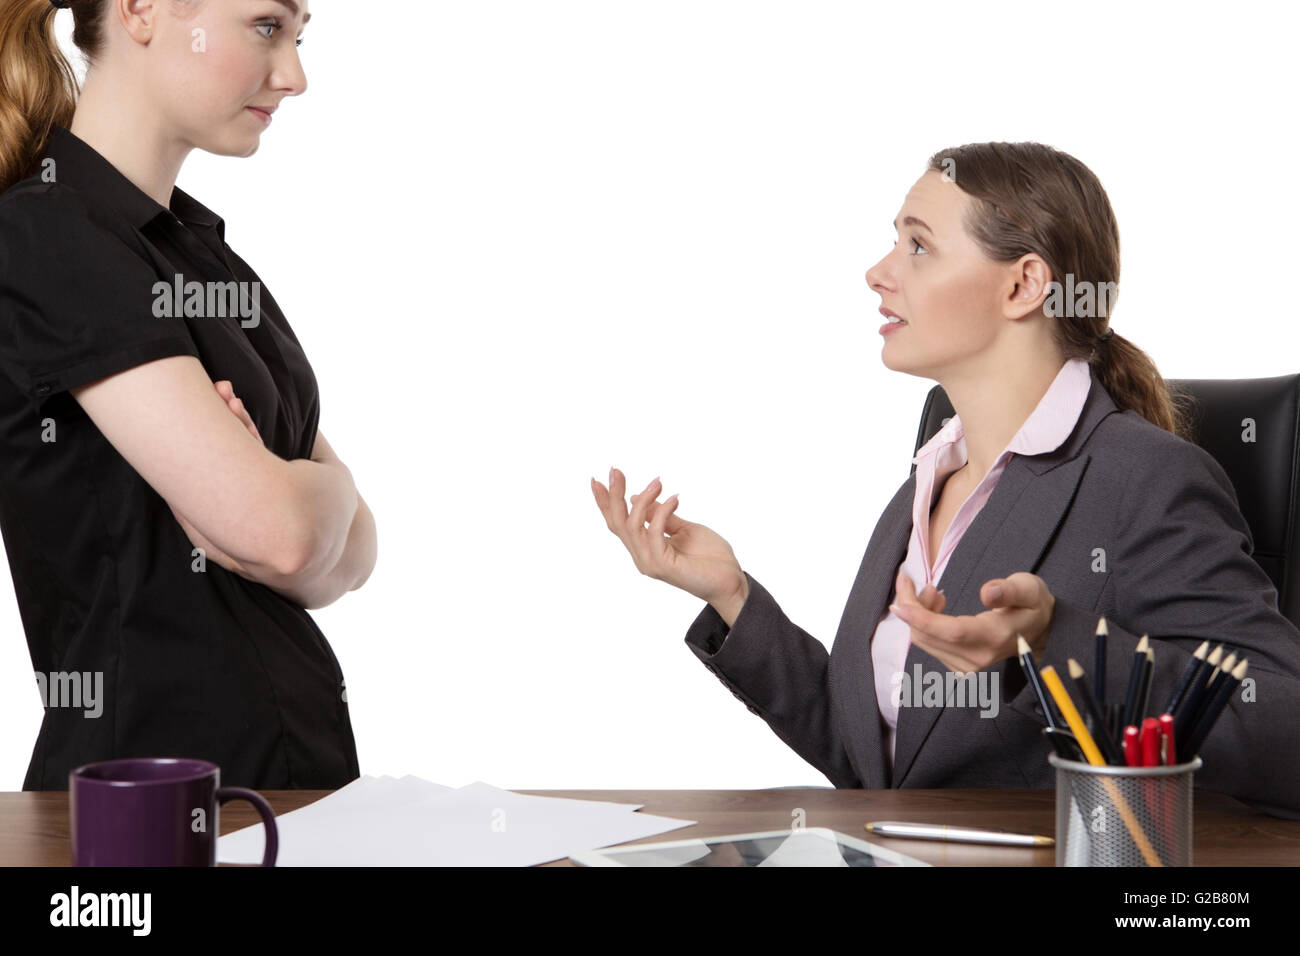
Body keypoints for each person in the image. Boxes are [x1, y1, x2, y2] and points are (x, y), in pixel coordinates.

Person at [591, 141, 1300, 818]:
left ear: (1022, 285)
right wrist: (734, 597)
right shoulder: (933, 474)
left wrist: (1054, 645)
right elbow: (878, 763)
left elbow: (1283, 731)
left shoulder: (1144, 478)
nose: (878, 271)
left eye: (918, 245)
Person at [0, 0, 376, 789]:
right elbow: (284, 539)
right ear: (141, 10)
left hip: (286, 791)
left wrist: (317, 500)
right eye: (268, 27)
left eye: (301, 36)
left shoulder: (198, 254)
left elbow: (351, 557)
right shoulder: (47, 235)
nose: (296, 75)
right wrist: (309, 504)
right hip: (145, 810)